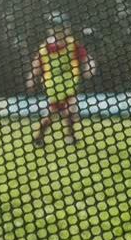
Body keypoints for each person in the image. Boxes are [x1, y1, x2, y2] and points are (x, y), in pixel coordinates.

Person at [26, 15, 96, 147]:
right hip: (53, 86)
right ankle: (39, 136)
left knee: (70, 111)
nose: (60, 32)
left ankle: (69, 136)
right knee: (52, 114)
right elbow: (37, 64)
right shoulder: (45, 48)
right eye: (57, 29)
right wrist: (32, 78)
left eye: (63, 28)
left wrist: (89, 68)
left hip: (69, 84)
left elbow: (86, 57)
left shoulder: (72, 44)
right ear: (51, 30)